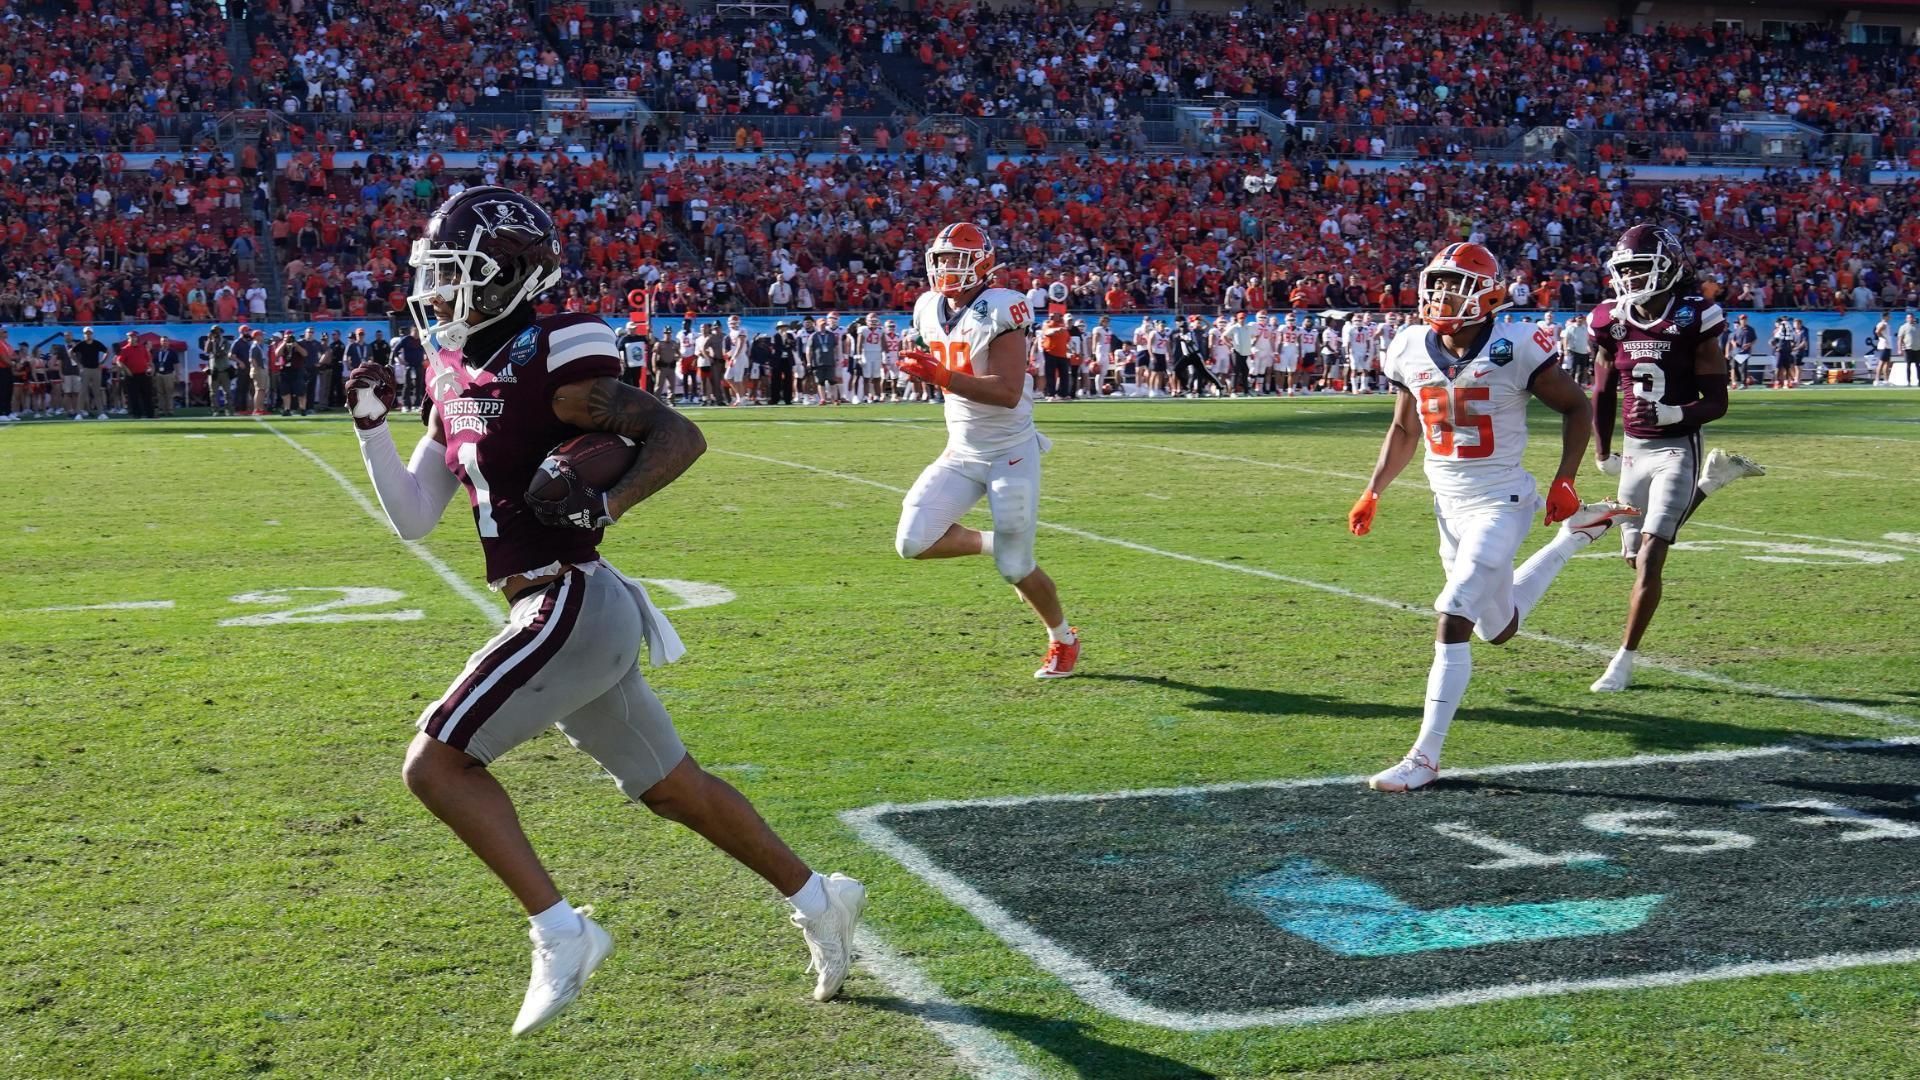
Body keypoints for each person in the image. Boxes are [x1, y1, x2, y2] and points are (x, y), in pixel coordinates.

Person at [350, 186, 865, 1037]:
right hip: (559, 605)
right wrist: (371, 428)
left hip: (569, 597)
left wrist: (610, 502)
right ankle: (822, 899)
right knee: (674, 789)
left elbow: (678, 437)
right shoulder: (452, 372)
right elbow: (413, 517)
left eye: (457, 275)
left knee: (435, 767)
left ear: (509, 275)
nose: (439, 292)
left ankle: (562, 932)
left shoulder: (558, 351)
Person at [1347, 242, 1637, 793]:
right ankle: (1572, 541)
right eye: (1436, 283)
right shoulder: (1409, 345)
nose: (1440, 295)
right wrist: (1373, 490)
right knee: (1495, 628)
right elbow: (1406, 428)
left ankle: (1424, 758)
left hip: (1501, 503)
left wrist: (1565, 478)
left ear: (1489, 297)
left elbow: (1576, 406)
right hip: (1447, 506)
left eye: (1454, 285)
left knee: (1452, 612)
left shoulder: (1517, 344)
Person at [896, 223, 1080, 679]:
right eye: (940, 258)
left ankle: (1063, 640)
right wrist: (919, 361)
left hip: (1010, 453)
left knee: (1016, 568)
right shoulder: (927, 306)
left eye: (956, 259)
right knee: (912, 541)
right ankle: (996, 544)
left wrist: (941, 377)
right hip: (961, 450)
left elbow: (1007, 391)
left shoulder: (1002, 307)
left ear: (981, 264)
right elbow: (937, 353)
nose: (945, 268)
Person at [1588, 225, 1767, 693]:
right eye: (1623, 270)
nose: (1630, 279)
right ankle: (1713, 483)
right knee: (1633, 555)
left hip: (1676, 448)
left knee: (1650, 560)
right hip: (1635, 450)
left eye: (1639, 269)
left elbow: (1717, 401)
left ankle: (1622, 661)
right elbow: (1603, 390)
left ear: (1668, 267)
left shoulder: (1695, 317)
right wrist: (1603, 448)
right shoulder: (1609, 320)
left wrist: (1675, 412)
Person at [116, 331, 156, 419]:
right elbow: (119, 361)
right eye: (130, 337)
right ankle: (136, 414)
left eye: (134, 337)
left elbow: (148, 359)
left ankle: (150, 414)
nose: (133, 338)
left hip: (144, 374)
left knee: (147, 394)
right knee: (133, 396)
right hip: (132, 376)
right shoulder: (124, 349)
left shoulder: (142, 348)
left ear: (137, 338)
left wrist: (151, 368)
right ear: (128, 339)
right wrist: (126, 370)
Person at [73, 327, 109, 418]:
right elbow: (71, 352)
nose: (88, 335)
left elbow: (107, 351)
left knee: (97, 391)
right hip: (85, 369)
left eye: (89, 333)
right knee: (83, 391)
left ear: (92, 334)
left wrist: (102, 362)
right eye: (86, 333)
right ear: (84, 334)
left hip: (96, 369)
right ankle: (79, 413)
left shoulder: (97, 343)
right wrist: (79, 364)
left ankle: (101, 413)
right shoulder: (81, 344)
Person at [203, 326, 235, 415]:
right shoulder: (211, 342)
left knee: (227, 392)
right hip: (214, 370)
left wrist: (216, 345)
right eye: (214, 331)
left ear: (221, 332)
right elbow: (206, 351)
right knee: (213, 393)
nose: (216, 333)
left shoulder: (225, 342)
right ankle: (215, 410)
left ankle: (228, 409)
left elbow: (221, 353)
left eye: (218, 331)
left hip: (224, 369)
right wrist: (209, 340)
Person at [152, 336, 181, 416]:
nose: (164, 342)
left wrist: (177, 375)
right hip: (158, 374)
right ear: (160, 342)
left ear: (168, 342)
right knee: (160, 393)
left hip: (169, 374)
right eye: (163, 341)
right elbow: (154, 364)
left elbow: (176, 364)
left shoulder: (172, 352)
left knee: (169, 392)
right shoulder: (157, 352)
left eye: (166, 341)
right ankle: (161, 409)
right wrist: (153, 374)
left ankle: (170, 410)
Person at [1727, 314, 1756, 389]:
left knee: (1743, 369)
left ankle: (1743, 383)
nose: (1743, 320)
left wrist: (1749, 344)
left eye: (1745, 319)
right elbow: (1732, 339)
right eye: (1742, 319)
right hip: (1735, 352)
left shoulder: (1750, 329)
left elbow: (1754, 339)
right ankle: (1734, 383)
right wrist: (1734, 343)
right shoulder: (1737, 329)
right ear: (1740, 320)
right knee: (1733, 367)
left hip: (1745, 352)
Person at [1900, 313, 1920, 388]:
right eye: (1908, 318)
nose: (1910, 319)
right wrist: (1900, 349)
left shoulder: (1918, 326)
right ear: (1906, 319)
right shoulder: (1903, 327)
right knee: (1908, 365)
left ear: (1913, 318)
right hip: (1908, 348)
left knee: (1917, 365)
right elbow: (1900, 338)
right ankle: (1908, 381)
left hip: (1917, 348)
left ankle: (1919, 381)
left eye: (1911, 317)